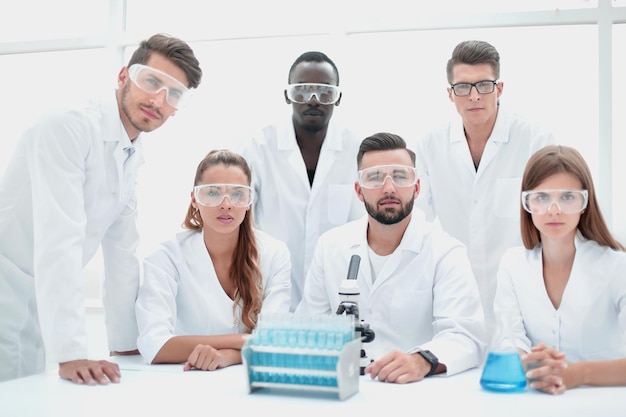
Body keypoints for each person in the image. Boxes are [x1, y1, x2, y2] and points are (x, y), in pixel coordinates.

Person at [0, 33, 202, 384]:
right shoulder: (68, 126)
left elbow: (122, 253)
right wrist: (72, 353)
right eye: (151, 81)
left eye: (173, 94)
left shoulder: (131, 154)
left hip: (34, 299)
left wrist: (126, 347)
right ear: (124, 76)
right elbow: (58, 237)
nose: (159, 99)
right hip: (8, 286)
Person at [296, 132, 486, 384]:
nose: (388, 188)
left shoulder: (445, 251)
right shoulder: (330, 246)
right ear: (359, 190)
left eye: (399, 176)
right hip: (345, 389)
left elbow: (466, 337)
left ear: (416, 187)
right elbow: (309, 328)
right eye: (374, 178)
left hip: (416, 392)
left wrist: (420, 361)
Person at [414, 40, 556, 333]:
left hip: (524, 293)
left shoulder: (535, 140)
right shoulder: (430, 145)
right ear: (450, 94)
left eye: (484, 85)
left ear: (499, 89)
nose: (474, 96)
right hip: (453, 293)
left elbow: (553, 222)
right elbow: (418, 223)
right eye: (463, 87)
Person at [135, 149, 291, 370]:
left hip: (250, 380)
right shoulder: (166, 257)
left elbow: (275, 339)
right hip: (180, 379)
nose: (226, 204)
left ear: (248, 201)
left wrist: (228, 356)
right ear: (195, 199)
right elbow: (154, 345)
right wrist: (244, 341)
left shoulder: (275, 253)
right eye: (212, 193)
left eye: (238, 194)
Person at [493, 145, 626, 395]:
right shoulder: (512, 264)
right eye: (542, 197)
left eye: (567, 197)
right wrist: (528, 361)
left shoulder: (617, 267)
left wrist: (577, 374)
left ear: (584, 203)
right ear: (527, 203)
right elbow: (510, 339)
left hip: (608, 403)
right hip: (535, 402)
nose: (554, 210)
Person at [239, 51, 365, 311]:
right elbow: (240, 218)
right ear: (287, 95)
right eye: (303, 91)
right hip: (269, 284)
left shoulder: (356, 150)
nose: (314, 101)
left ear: (338, 97)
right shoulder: (259, 147)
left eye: (324, 92)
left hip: (339, 287)